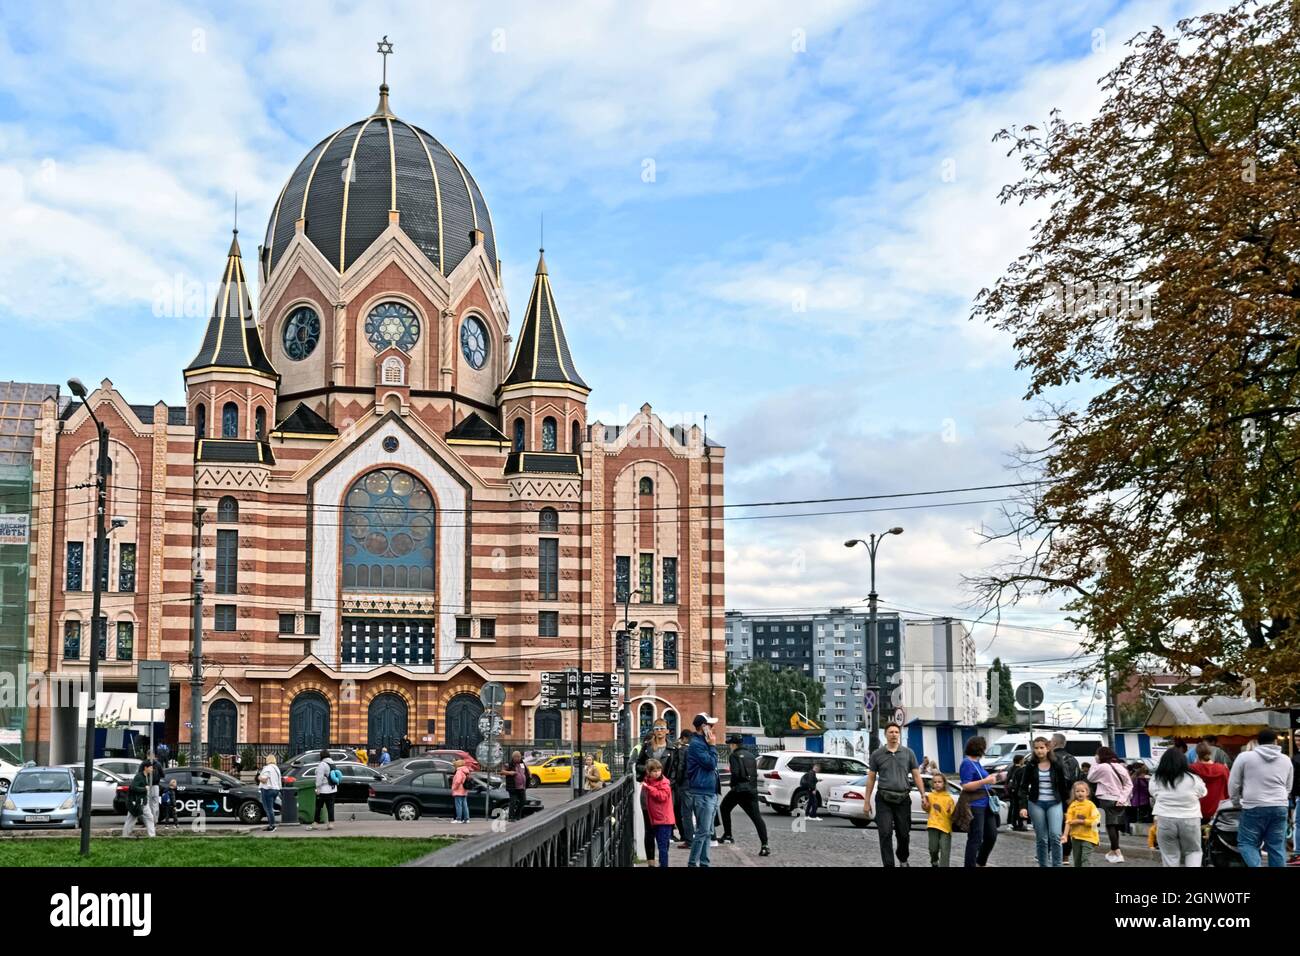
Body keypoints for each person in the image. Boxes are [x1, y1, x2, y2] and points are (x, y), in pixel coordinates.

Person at [863, 721, 927, 867]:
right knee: (885, 833)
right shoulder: (877, 755)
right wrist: (866, 801)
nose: (894, 735)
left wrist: (923, 795)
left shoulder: (908, 753)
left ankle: (903, 858)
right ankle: (889, 864)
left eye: (896, 732)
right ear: (885, 735)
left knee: (903, 834)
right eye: (891, 732)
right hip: (883, 799)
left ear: (899, 735)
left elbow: (917, 776)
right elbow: (871, 778)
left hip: (903, 798)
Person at [1228, 728, 1295, 867]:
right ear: (1276, 741)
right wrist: (1280, 798)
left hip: (1253, 805)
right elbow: (1288, 786)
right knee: (1276, 846)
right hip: (1279, 806)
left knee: (1247, 843)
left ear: (1258, 742)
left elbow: (1234, 783)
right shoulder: (1286, 759)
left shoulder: (1245, 757)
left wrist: (1235, 802)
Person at [1016, 736, 1071, 867]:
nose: (1039, 751)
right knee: (1042, 839)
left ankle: (1057, 865)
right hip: (1036, 804)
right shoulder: (1030, 765)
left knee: (1055, 836)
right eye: (1036, 748)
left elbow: (1063, 787)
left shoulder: (1057, 764)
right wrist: (1023, 807)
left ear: (1048, 748)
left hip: (1055, 803)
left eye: (1042, 748)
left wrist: (1067, 807)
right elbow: (1023, 787)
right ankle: (1043, 865)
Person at [1149, 745, 1206, 867]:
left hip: (1164, 818)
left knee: (1170, 855)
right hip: (1190, 818)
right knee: (1193, 851)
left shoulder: (1156, 779)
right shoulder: (1194, 779)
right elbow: (1203, 793)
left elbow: (1154, 794)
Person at [720, 733, 770, 856]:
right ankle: (765, 845)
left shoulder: (734, 756)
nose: (730, 746)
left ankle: (728, 834)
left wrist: (732, 785)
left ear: (734, 744)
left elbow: (735, 773)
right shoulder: (752, 756)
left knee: (724, 807)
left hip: (739, 790)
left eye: (730, 744)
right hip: (751, 790)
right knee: (757, 818)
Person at [636, 720, 677, 865]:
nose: (659, 731)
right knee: (649, 830)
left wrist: (665, 784)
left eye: (662, 728)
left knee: (664, 831)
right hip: (647, 793)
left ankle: (663, 861)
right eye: (657, 728)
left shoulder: (672, 749)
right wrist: (648, 770)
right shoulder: (647, 747)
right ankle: (651, 862)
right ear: (654, 730)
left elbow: (676, 771)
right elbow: (638, 765)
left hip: (663, 794)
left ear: (667, 731)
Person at [959, 736, 1003, 868]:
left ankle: (980, 862)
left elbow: (983, 781)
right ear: (980, 748)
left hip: (986, 803)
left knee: (991, 836)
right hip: (975, 804)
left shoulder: (977, 763)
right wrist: (986, 781)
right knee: (975, 838)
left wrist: (995, 778)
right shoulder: (967, 763)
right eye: (984, 747)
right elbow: (966, 785)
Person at [685, 713, 721, 867]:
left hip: (710, 791)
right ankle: (693, 863)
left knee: (707, 833)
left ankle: (705, 863)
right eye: (710, 725)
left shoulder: (703, 743)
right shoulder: (697, 745)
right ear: (703, 727)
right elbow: (710, 764)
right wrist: (712, 746)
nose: (713, 728)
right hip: (702, 793)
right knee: (702, 832)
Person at [1088, 747, 1132, 863]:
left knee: (1110, 825)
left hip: (1106, 798)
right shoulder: (1121, 767)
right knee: (1115, 826)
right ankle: (1114, 851)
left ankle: (1117, 851)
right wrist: (1122, 799)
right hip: (1120, 800)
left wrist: (1095, 763)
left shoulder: (1102, 767)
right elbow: (1129, 785)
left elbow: (1090, 778)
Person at [643, 758, 676, 868]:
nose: (657, 773)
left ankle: (664, 865)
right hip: (657, 819)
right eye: (654, 771)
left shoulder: (664, 783)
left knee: (662, 846)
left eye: (658, 770)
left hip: (664, 820)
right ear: (648, 772)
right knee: (662, 845)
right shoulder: (649, 781)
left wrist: (650, 789)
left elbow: (662, 797)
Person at [1188, 742, 1230, 824]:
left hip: (1197, 810)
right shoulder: (1223, 769)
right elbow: (1228, 790)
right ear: (1210, 753)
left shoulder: (1192, 769)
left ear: (1197, 754)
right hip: (1219, 810)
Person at [1062, 780, 1101, 867]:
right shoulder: (1072, 805)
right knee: (1077, 861)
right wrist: (1065, 835)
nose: (1080, 793)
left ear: (1087, 792)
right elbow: (1068, 821)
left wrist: (1081, 821)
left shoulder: (1091, 805)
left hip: (1089, 837)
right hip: (1076, 837)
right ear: (1074, 793)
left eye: (1082, 791)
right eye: (1077, 791)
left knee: (1085, 859)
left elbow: (1096, 820)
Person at [926, 771, 956, 867]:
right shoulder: (930, 796)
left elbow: (953, 814)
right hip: (932, 825)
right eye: (935, 782)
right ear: (932, 784)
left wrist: (949, 810)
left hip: (945, 828)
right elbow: (927, 809)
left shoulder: (949, 798)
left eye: (939, 782)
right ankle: (934, 861)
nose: (937, 784)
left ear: (944, 783)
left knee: (945, 850)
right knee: (933, 848)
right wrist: (925, 805)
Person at [672, 730, 695, 848]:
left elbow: (680, 767)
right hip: (696, 784)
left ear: (685, 738)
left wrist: (678, 781)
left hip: (685, 784)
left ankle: (689, 840)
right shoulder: (697, 748)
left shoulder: (683, 750)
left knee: (686, 813)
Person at [305, 748, 337, 830]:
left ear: (321, 756)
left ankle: (316, 823)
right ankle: (331, 823)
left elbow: (319, 778)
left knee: (318, 807)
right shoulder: (332, 763)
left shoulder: (322, 764)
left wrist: (317, 788)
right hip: (332, 789)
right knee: (330, 807)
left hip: (323, 790)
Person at [122, 763, 156, 838]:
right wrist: (144, 789)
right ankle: (125, 835)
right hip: (136, 802)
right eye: (150, 768)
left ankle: (152, 836)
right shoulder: (139, 776)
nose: (152, 770)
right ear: (145, 768)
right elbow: (133, 787)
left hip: (143, 801)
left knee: (150, 817)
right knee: (131, 819)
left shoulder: (147, 776)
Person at [502, 750, 529, 822]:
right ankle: (511, 817)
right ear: (513, 757)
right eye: (516, 757)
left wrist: (528, 774)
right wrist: (509, 772)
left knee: (523, 801)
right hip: (513, 787)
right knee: (513, 802)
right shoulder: (509, 764)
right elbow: (502, 771)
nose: (518, 758)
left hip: (522, 787)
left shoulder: (522, 763)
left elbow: (526, 771)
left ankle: (517, 815)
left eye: (519, 757)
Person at [258, 753, 282, 832]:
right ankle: (271, 825)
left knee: (268, 809)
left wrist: (259, 777)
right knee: (270, 808)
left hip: (267, 790)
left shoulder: (267, 768)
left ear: (268, 760)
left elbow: (264, 780)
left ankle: (272, 825)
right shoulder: (276, 768)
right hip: (276, 789)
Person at [1125, 763, 1151, 832]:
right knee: (1141, 816)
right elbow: (1146, 789)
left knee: (1131, 816)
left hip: (1134, 799)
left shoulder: (1133, 778)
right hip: (1142, 800)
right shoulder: (1141, 780)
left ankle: (1127, 830)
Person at [141, 750, 164, 827]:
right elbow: (162, 774)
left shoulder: (144, 763)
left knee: (146, 804)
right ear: (154, 755)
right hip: (155, 786)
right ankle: (154, 822)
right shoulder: (158, 764)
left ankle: (147, 822)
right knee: (155, 804)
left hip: (146, 786)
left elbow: (139, 773)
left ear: (147, 755)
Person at [1006, 754, 1027, 830]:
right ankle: (1018, 824)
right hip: (1018, 791)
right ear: (1020, 760)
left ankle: (1011, 822)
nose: (1024, 760)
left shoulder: (1011, 768)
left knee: (1013, 807)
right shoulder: (1021, 770)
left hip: (1011, 790)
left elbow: (1008, 779)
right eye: (1023, 759)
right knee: (1018, 807)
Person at [450, 758, 471, 823]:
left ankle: (458, 819)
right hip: (464, 790)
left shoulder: (459, 771)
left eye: (455, 765)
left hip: (458, 790)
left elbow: (458, 781)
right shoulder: (465, 771)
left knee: (458, 805)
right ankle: (466, 819)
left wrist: (454, 787)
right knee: (465, 805)